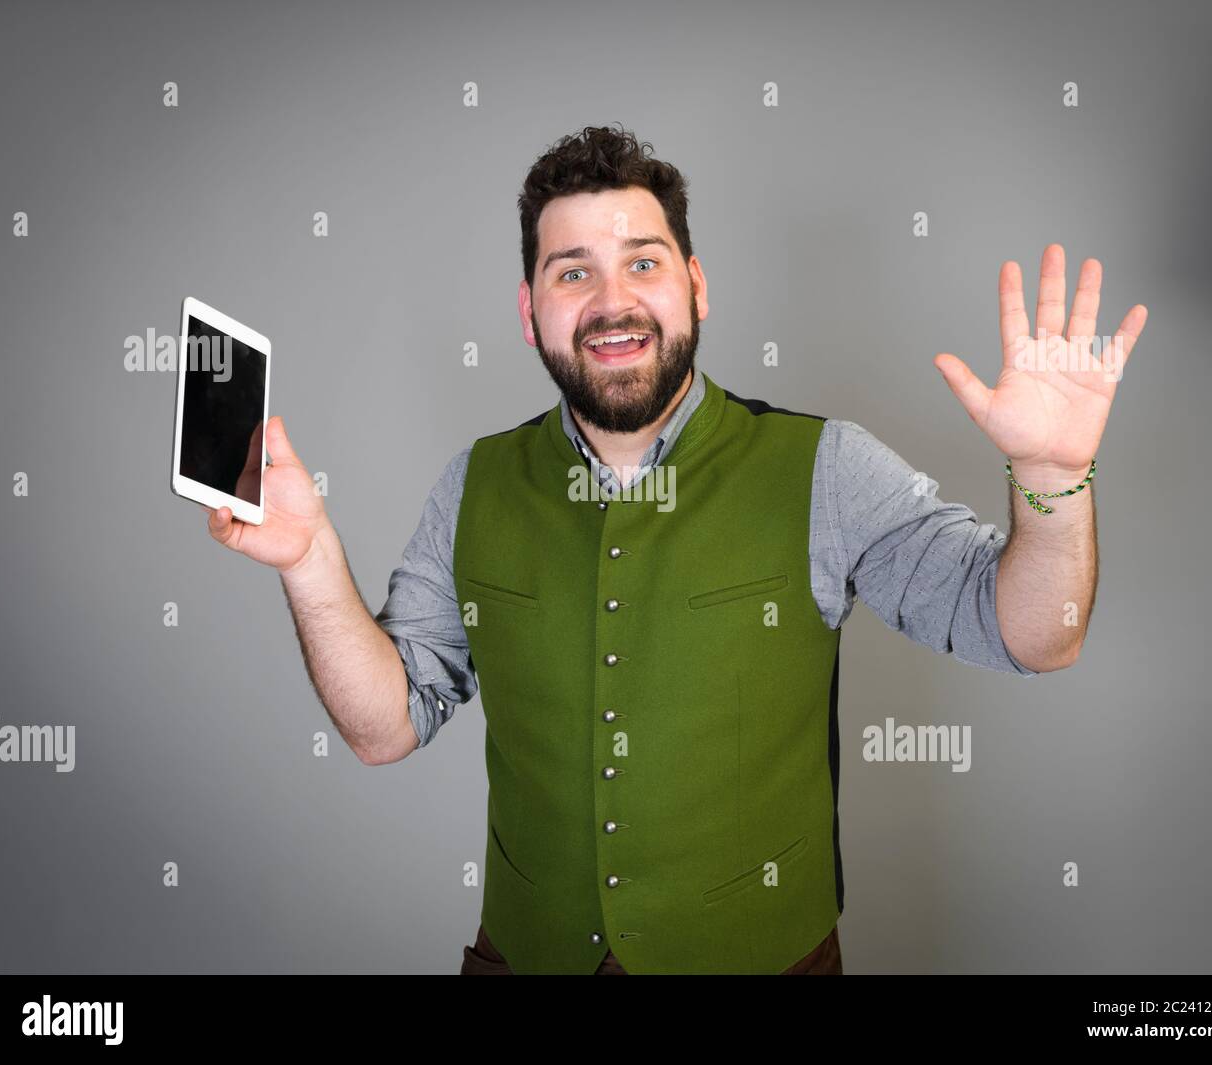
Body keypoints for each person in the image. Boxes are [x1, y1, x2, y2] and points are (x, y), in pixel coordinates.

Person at [202, 124, 1147, 975]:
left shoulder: (825, 468)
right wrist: (308, 557)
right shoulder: (473, 483)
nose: (613, 302)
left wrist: (1052, 477)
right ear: (530, 313)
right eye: (571, 271)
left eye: (643, 264)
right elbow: (385, 725)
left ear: (696, 285)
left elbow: (1035, 634)